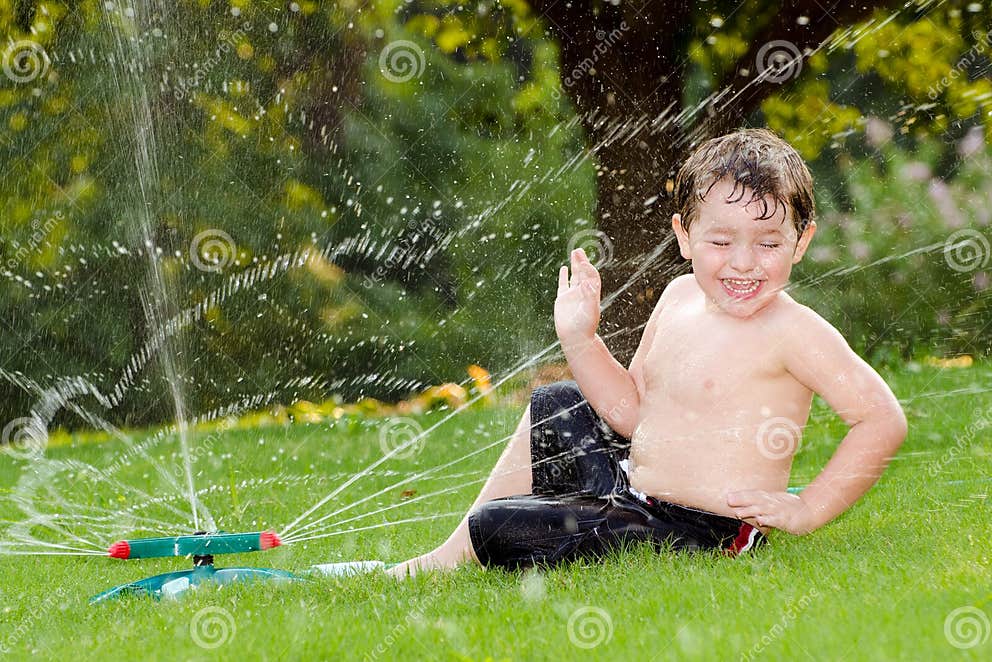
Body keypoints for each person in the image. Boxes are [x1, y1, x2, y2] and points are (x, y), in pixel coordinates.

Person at [386, 128, 908, 576]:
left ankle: (498, 536)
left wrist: (809, 508)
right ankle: (445, 559)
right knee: (561, 401)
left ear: (801, 241)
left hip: (701, 532)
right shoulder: (678, 296)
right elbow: (630, 415)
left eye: (768, 244)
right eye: (721, 242)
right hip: (634, 496)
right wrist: (581, 339)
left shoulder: (794, 331)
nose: (744, 263)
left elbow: (881, 419)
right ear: (685, 235)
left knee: (497, 527)